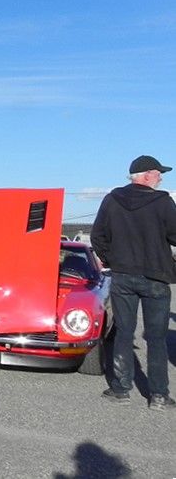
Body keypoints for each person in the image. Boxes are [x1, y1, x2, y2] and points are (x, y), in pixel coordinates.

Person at [91, 155, 176, 411]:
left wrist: (112, 260)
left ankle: (120, 389)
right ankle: (159, 396)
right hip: (156, 278)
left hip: (123, 276)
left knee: (124, 333)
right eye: (159, 173)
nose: (161, 177)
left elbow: (97, 236)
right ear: (147, 175)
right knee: (157, 338)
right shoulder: (162, 202)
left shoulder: (112, 199)